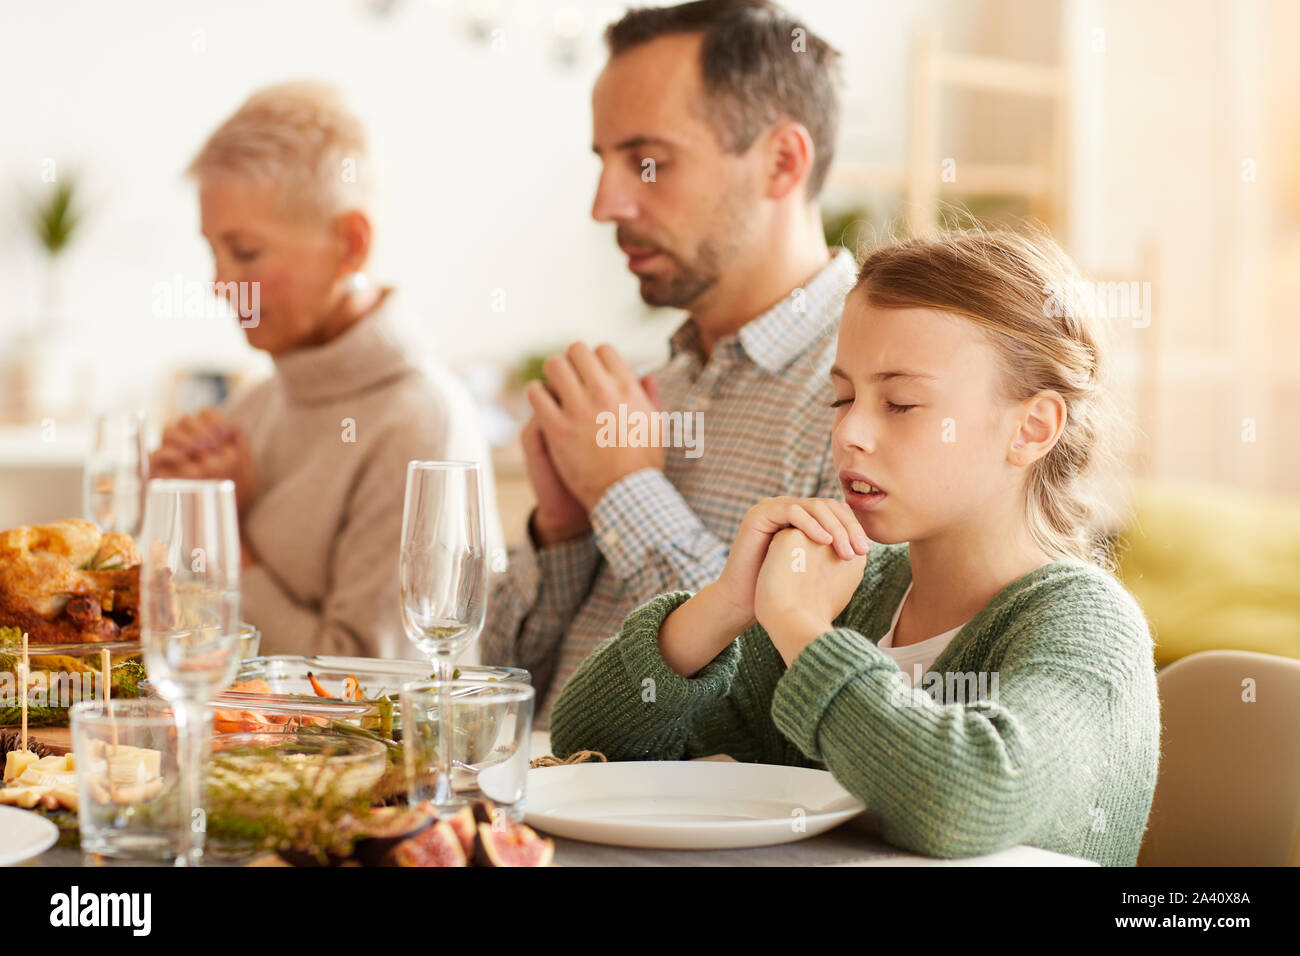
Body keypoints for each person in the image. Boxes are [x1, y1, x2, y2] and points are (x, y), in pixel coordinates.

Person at [550, 226, 1162, 867]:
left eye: (899, 404)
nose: (851, 434)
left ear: (1032, 428)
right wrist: (727, 604)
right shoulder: (856, 595)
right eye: (842, 397)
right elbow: (587, 748)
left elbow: (964, 800)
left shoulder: (1087, 628)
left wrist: (798, 625)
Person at [480, 0, 854, 725]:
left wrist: (625, 491)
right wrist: (563, 533)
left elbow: (778, 710)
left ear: (782, 162)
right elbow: (501, 691)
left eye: (648, 162)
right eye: (604, 162)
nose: (605, 204)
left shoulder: (870, 400)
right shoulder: (659, 382)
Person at [150, 81, 504, 660]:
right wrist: (167, 514)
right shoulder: (257, 404)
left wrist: (223, 546)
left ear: (350, 245)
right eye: (212, 251)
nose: (219, 283)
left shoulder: (420, 425)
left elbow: (369, 688)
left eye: (244, 252)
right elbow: (173, 641)